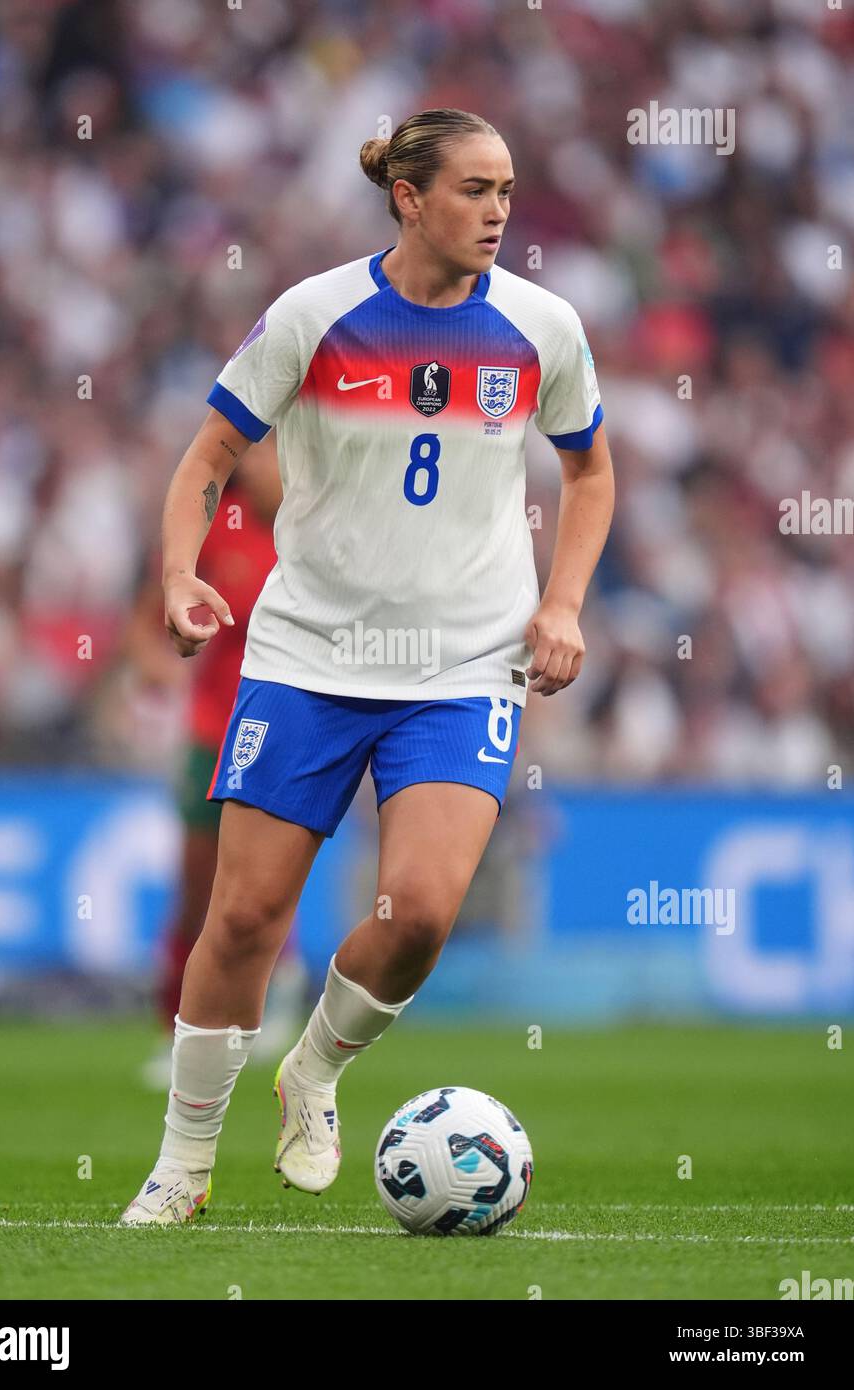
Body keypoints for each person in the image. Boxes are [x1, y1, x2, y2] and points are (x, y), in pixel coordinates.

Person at [121, 107, 614, 1225]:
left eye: (508, 188)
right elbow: (209, 454)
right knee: (243, 917)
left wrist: (565, 601)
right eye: (475, 189)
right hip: (310, 653)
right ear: (408, 197)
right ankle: (183, 1167)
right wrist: (178, 572)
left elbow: (590, 474)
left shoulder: (543, 326)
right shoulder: (315, 314)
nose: (498, 209)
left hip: (463, 661)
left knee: (424, 912)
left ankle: (315, 1071)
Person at [124, 450, 308, 1090]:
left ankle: (270, 1002)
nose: (255, 467)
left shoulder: (318, 523)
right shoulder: (215, 526)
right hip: (214, 733)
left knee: (266, 883)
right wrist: (159, 658)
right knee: (197, 893)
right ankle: (172, 1027)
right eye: (251, 454)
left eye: (269, 454)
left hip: (290, 729)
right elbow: (150, 620)